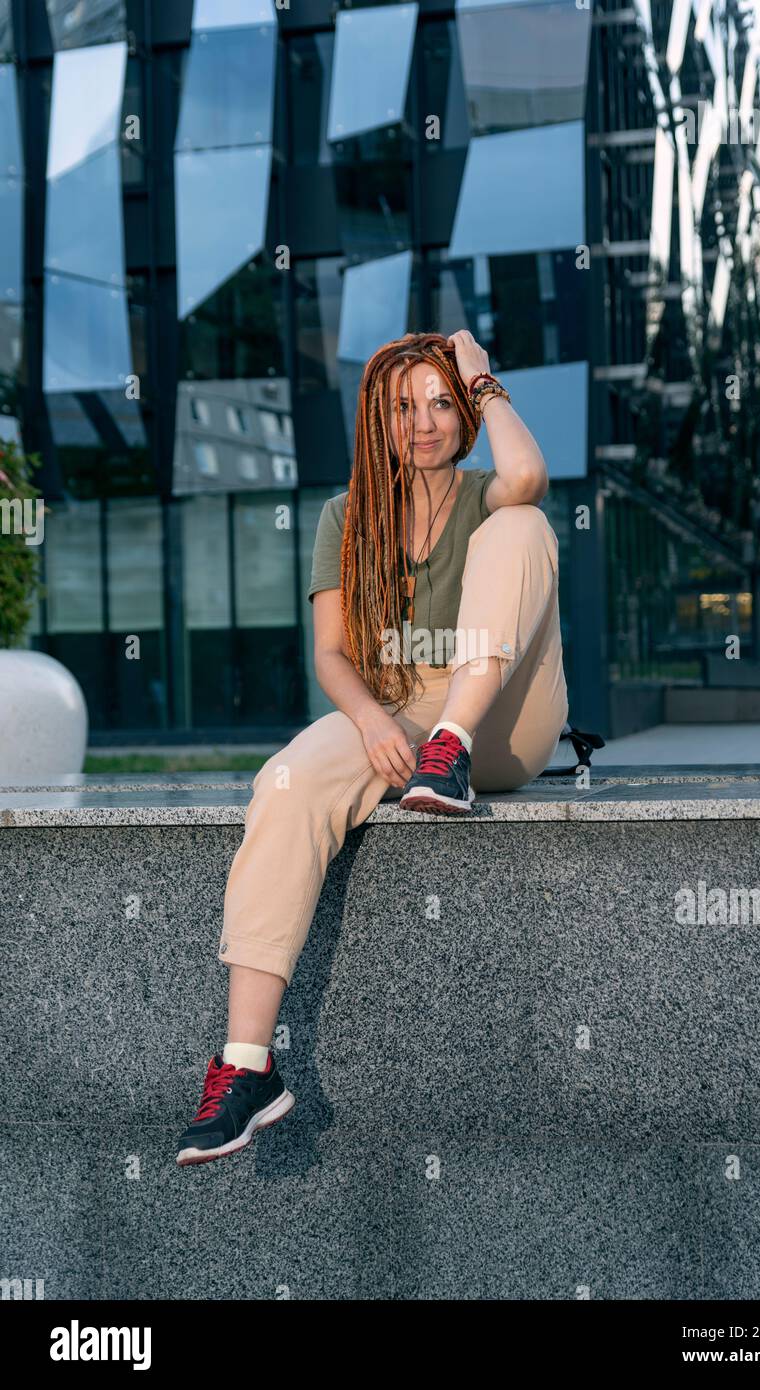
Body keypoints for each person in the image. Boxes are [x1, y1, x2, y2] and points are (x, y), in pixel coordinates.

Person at [176, 329, 569, 1165]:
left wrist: (484, 378)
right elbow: (330, 652)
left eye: (440, 402)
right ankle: (247, 1067)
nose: (423, 422)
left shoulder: (483, 492)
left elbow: (528, 475)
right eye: (402, 406)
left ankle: (451, 751)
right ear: (376, 420)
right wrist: (369, 720)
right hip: (396, 715)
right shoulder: (343, 515)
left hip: (500, 716)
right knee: (285, 780)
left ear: (464, 413)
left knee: (521, 522)